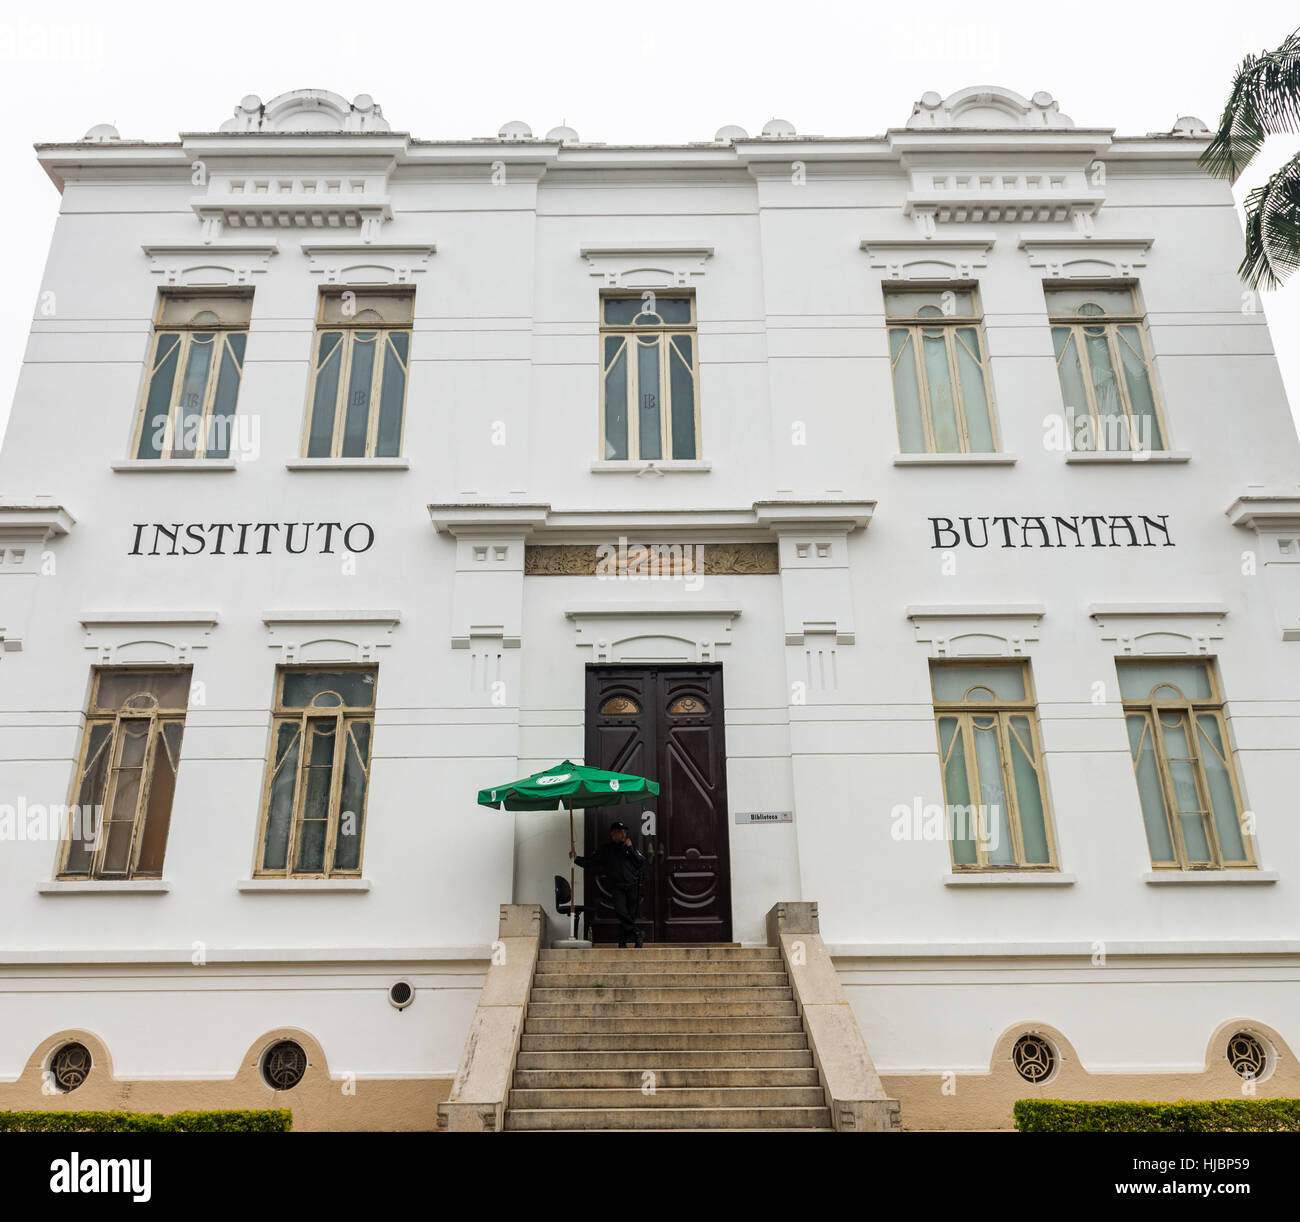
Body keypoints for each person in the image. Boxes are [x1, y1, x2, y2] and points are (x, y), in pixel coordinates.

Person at [571, 822, 645, 948]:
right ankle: (638, 933)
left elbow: (640, 862)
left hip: (632, 886)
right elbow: (591, 862)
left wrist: (631, 848)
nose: (623, 834)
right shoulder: (606, 849)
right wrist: (576, 859)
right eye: (620, 832)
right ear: (613, 834)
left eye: (624, 832)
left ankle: (623, 942)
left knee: (629, 916)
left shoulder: (629, 848)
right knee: (621, 912)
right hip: (618, 887)